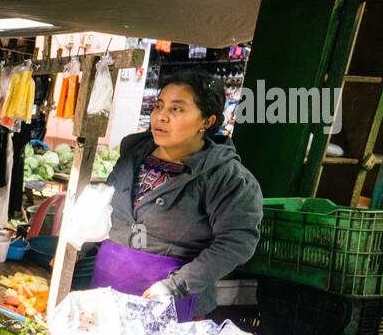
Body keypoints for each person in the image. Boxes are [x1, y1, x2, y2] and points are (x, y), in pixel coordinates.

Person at [93, 71, 263, 319]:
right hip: (107, 284)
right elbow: (108, 212)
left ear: (206, 121)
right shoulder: (132, 156)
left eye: (177, 109)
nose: (161, 116)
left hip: (169, 299)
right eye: (159, 106)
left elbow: (236, 243)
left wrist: (175, 286)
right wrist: (80, 246)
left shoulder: (228, 178)